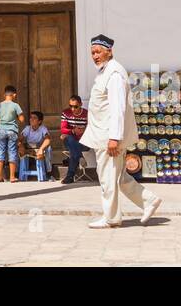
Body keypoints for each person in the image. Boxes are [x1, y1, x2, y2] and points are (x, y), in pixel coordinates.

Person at [79, 34, 161, 229]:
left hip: (109, 137)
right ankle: (148, 200)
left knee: (108, 179)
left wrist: (114, 138)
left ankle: (111, 218)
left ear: (109, 51)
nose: (95, 56)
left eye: (98, 52)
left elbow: (118, 108)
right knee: (118, 177)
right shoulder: (104, 72)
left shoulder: (114, 74)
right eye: (92, 52)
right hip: (102, 134)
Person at [0, 85, 24, 183]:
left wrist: (1, 125)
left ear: (4, 95)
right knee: (12, 152)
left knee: (1, 151)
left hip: (1, 130)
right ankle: (12, 177)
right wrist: (15, 121)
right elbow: (22, 119)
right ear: (14, 95)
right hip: (12, 131)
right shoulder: (15, 106)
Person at [59, 94, 89, 185]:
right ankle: (79, 156)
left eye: (75, 106)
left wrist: (84, 131)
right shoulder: (65, 113)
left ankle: (70, 177)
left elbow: (92, 128)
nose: (73, 109)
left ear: (81, 104)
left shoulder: (87, 113)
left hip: (84, 142)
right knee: (70, 138)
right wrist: (72, 130)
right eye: (70, 106)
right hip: (69, 141)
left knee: (73, 151)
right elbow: (63, 129)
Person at [19, 111, 52, 178]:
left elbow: (48, 139)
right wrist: (20, 146)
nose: (31, 119)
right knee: (15, 147)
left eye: (34, 118)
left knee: (48, 148)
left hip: (39, 148)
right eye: (31, 117)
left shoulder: (43, 128)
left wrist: (41, 149)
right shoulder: (27, 128)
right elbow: (19, 139)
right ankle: (16, 171)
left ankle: (49, 171)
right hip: (29, 148)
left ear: (39, 121)